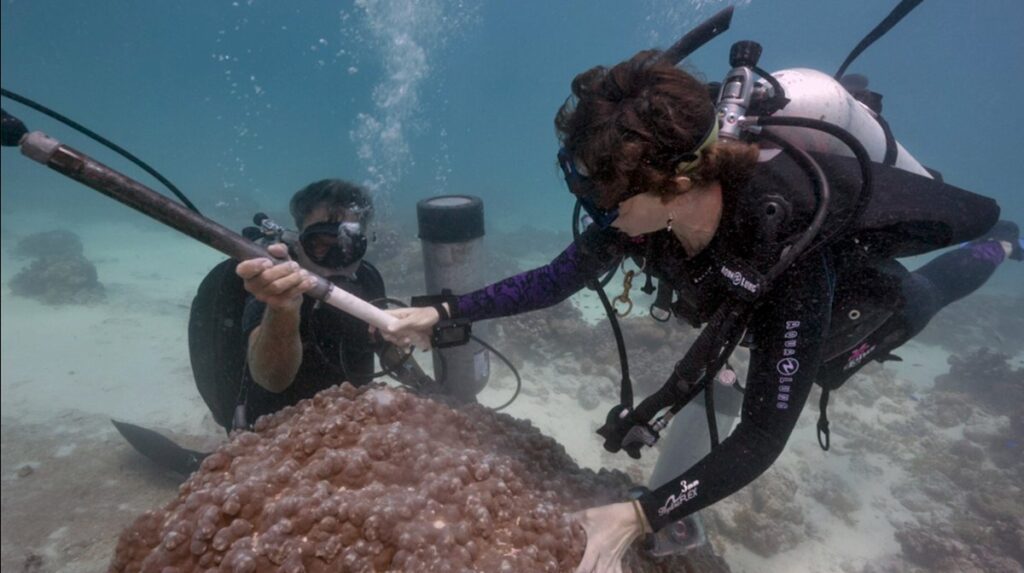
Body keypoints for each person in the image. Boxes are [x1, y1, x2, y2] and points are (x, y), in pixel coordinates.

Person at [378, 51, 1009, 571]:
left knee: (916, 303)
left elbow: (762, 438)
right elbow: (555, 279)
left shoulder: (787, 253)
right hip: (738, 301)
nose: (599, 218)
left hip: (848, 308)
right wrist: (442, 312)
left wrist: (640, 514)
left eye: (606, 202)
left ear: (677, 183)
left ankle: (1001, 245)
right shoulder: (641, 211)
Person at [234, 179, 433, 425]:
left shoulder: (368, 279)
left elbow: (384, 343)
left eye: (347, 246)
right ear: (298, 240)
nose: (335, 261)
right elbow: (272, 380)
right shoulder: (273, 282)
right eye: (318, 245)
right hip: (278, 431)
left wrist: (426, 386)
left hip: (352, 425)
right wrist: (282, 307)